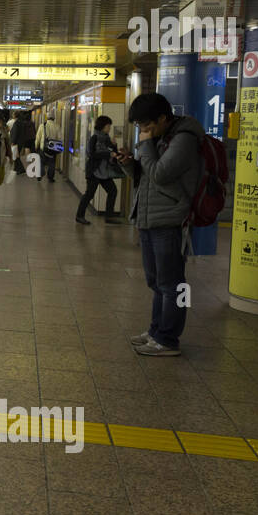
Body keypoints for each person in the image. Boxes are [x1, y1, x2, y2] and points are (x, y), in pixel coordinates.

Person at [118, 92, 204, 358]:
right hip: (149, 217)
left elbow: (160, 174)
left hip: (170, 220)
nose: (144, 132)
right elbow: (147, 177)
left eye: (147, 126)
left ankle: (168, 338)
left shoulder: (185, 140)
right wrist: (129, 164)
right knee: (156, 282)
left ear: (163, 118)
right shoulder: (161, 137)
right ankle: (156, 331)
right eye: (141, 127)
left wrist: (144, 147)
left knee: (173, 284)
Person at [76, 115, 121, 225]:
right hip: (94, 171)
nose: (109, 128)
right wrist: (108, 153)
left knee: (113, 191)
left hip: (104, 172)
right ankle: (79, 216)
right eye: (108, 126)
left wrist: (115, 146)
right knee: (89, 194)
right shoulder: (94, 138)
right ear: (102, 126)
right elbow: (91, 154)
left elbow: (113, 152)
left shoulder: (106, 138)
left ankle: (109, 216)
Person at [36, 110, 61, 183]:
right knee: (52, 163)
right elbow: (60, 138)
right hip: (53, 148)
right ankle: (50, 177)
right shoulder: (57, 126)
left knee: (41, 162)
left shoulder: (42, 125)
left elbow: (38, 137)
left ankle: (39, 175)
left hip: (43, 147)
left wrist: (36, 145)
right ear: (54, 118)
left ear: (47, 117)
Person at [11, 109, 36, 176]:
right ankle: (17, 168)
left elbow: (15, 133)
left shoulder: (17, 122)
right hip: (21, 141)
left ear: (15, 115)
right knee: (17, 155)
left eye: (13, 114)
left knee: (16, 155)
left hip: (17, 142)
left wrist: (13, 141)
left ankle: (21, 169)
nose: (12, 115)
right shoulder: (21, 122)